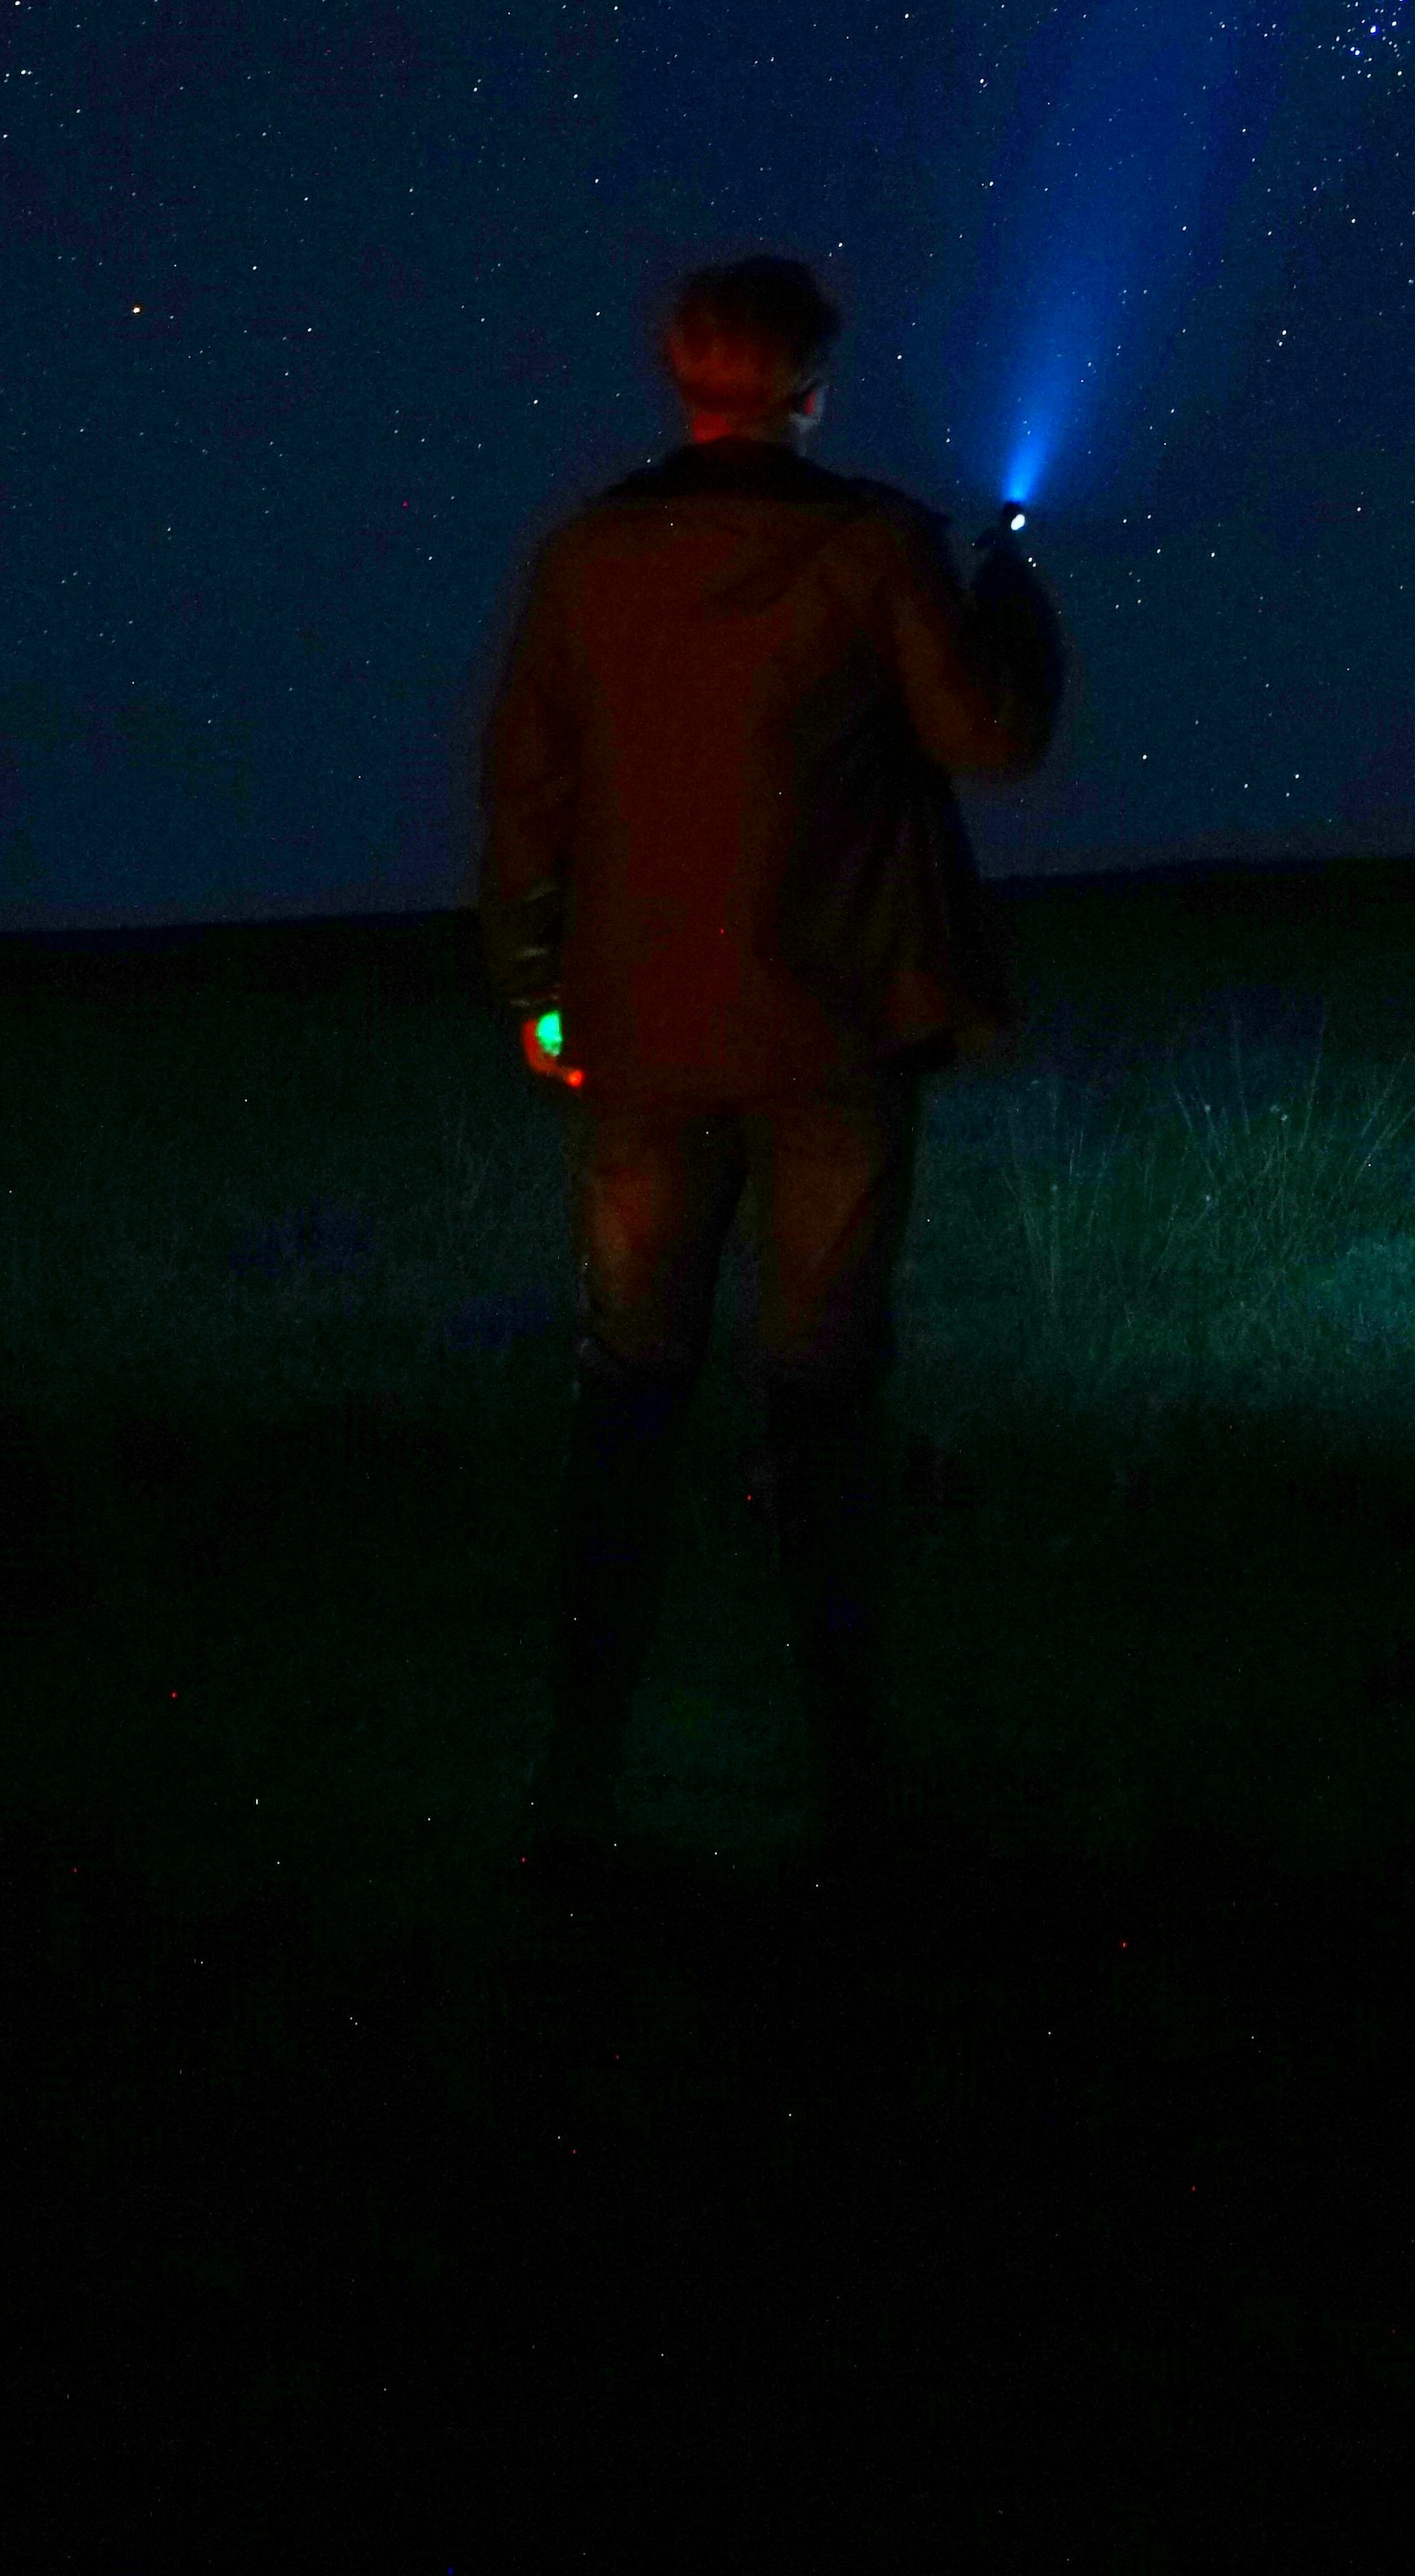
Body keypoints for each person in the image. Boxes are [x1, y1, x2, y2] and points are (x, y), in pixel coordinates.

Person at [480, 251, 1065, 1902]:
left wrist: (536, 992)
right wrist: (1011, 585)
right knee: (818, 1411)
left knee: (627, 1400)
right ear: (811, 389)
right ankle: (852, 1795)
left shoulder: (586, 557)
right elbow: (990, 739)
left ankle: (572, 1790)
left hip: (642, 1046)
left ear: (682, 379)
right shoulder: (872, 544)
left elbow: (524, 788)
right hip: (828, 1048)